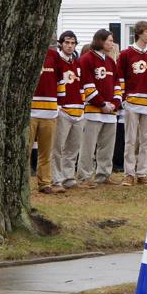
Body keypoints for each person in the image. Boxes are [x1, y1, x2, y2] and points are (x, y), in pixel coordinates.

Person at [78, 29, 121, 186]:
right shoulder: (86, 59)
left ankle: (103, 175)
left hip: (110, 111)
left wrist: (115, 103)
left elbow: (117, 84)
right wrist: (102, 104)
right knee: (88, 146)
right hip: (93, 111)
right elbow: (87, 85)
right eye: (109, 40)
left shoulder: (111, 62)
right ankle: (84, 176)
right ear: (100, 41)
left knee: (107, 146)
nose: (112, 43)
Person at [117, 22, 147, 185]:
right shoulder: (126, 54)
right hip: (132, 102)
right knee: (130, 139)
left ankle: (143, 173)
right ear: (139, 33)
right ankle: (129, 173)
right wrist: (122, 98)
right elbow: (120, 78)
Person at [52, 31, 88, 189]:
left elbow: (81, 85)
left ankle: (68, 177)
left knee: (73, 148)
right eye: (67, 42)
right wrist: (58, 106)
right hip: (63, 109)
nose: (70, 46)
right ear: (61, 44)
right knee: (58, 147)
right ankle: (56, 178)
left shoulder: (77, 63)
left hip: (78, 110)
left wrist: (83, 104)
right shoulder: (57, 61)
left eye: (73, 43)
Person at [31, 40, 65, 193]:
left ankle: (45, 182)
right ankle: (20, 184)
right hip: (30, 111)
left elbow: (60, 80)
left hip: (50, 111)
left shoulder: (54, 56)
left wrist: (60, 103)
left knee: (46, 150)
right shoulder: (26, 53)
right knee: (25, 149)